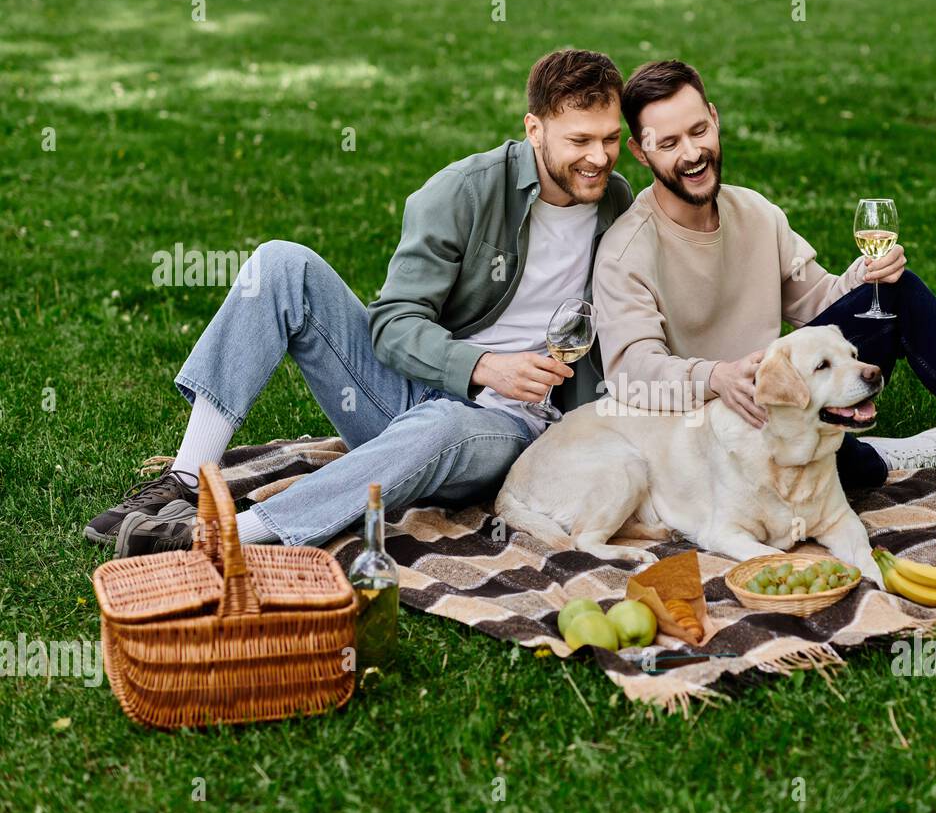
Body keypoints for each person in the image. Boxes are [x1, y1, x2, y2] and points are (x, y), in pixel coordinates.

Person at [87, 49, 634, 556]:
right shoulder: (464, 192)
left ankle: (228, 535)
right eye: (579, 140)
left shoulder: (616, 202)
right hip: (405, 393)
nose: (599, 157)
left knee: (442, 425)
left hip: (507, 431)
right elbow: (392, 325)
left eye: (610, 139)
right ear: (534, 129)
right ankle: (184, 480)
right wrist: (486, 367)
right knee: (281, 263)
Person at [592, 60, 936, 505]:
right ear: (641, 152)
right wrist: (716, 376)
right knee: (851, 472)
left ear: (714, 118)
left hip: (795, 396)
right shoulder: (627, 249)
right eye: (669, 144)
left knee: (896, 294)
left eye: (698, 130)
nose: (692, 154)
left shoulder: (757, 213)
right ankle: (884, 451)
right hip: (719, 430)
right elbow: (631, 374)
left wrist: (868, 276)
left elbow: (818, 304)